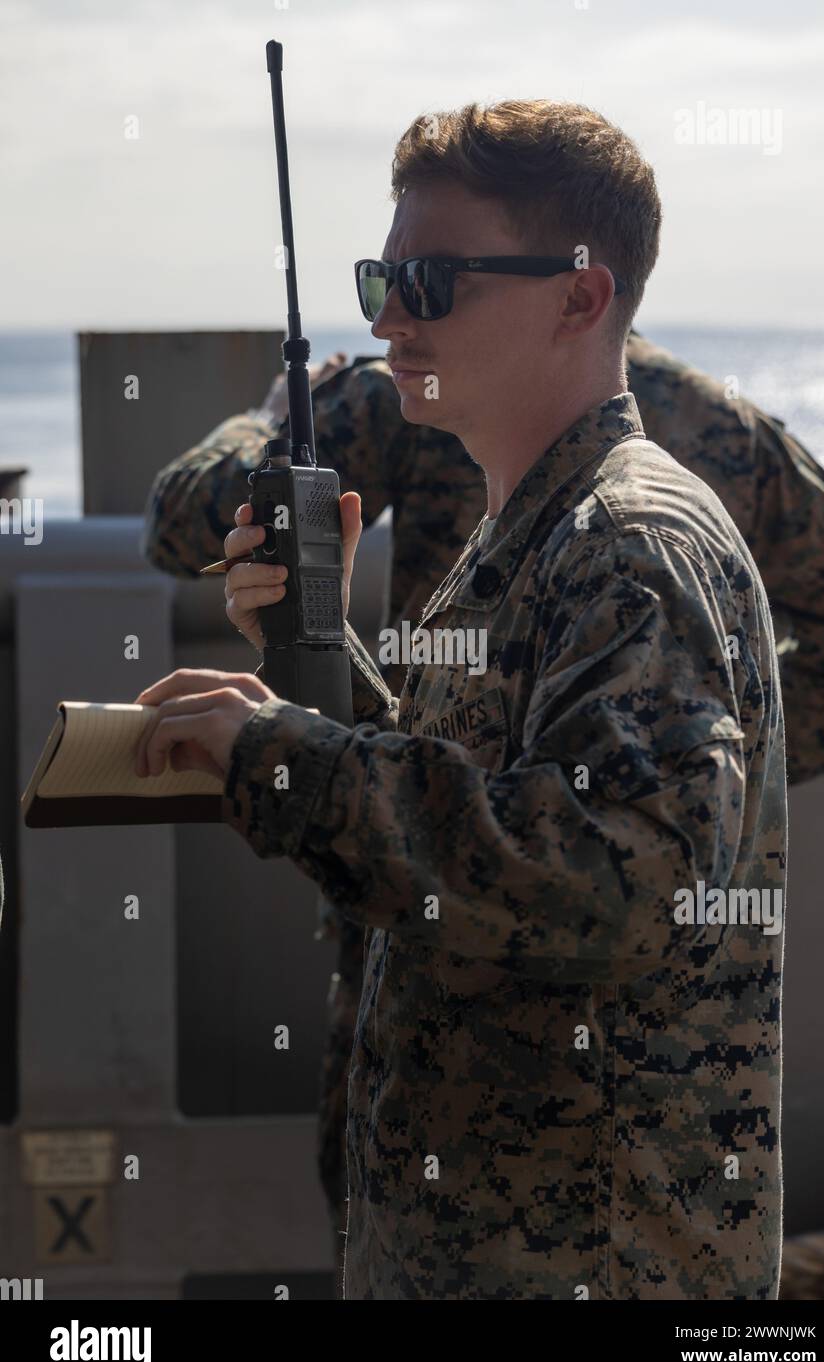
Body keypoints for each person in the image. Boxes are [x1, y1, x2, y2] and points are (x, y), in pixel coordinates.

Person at [135, 98, 786, 1299]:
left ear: (578, 297)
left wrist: (294, 763)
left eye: (429, 280)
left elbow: (607, 881)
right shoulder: (531, 535)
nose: (385, 318)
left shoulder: (628, 545)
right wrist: (310, 659)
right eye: (381, 274)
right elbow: (498, 790)